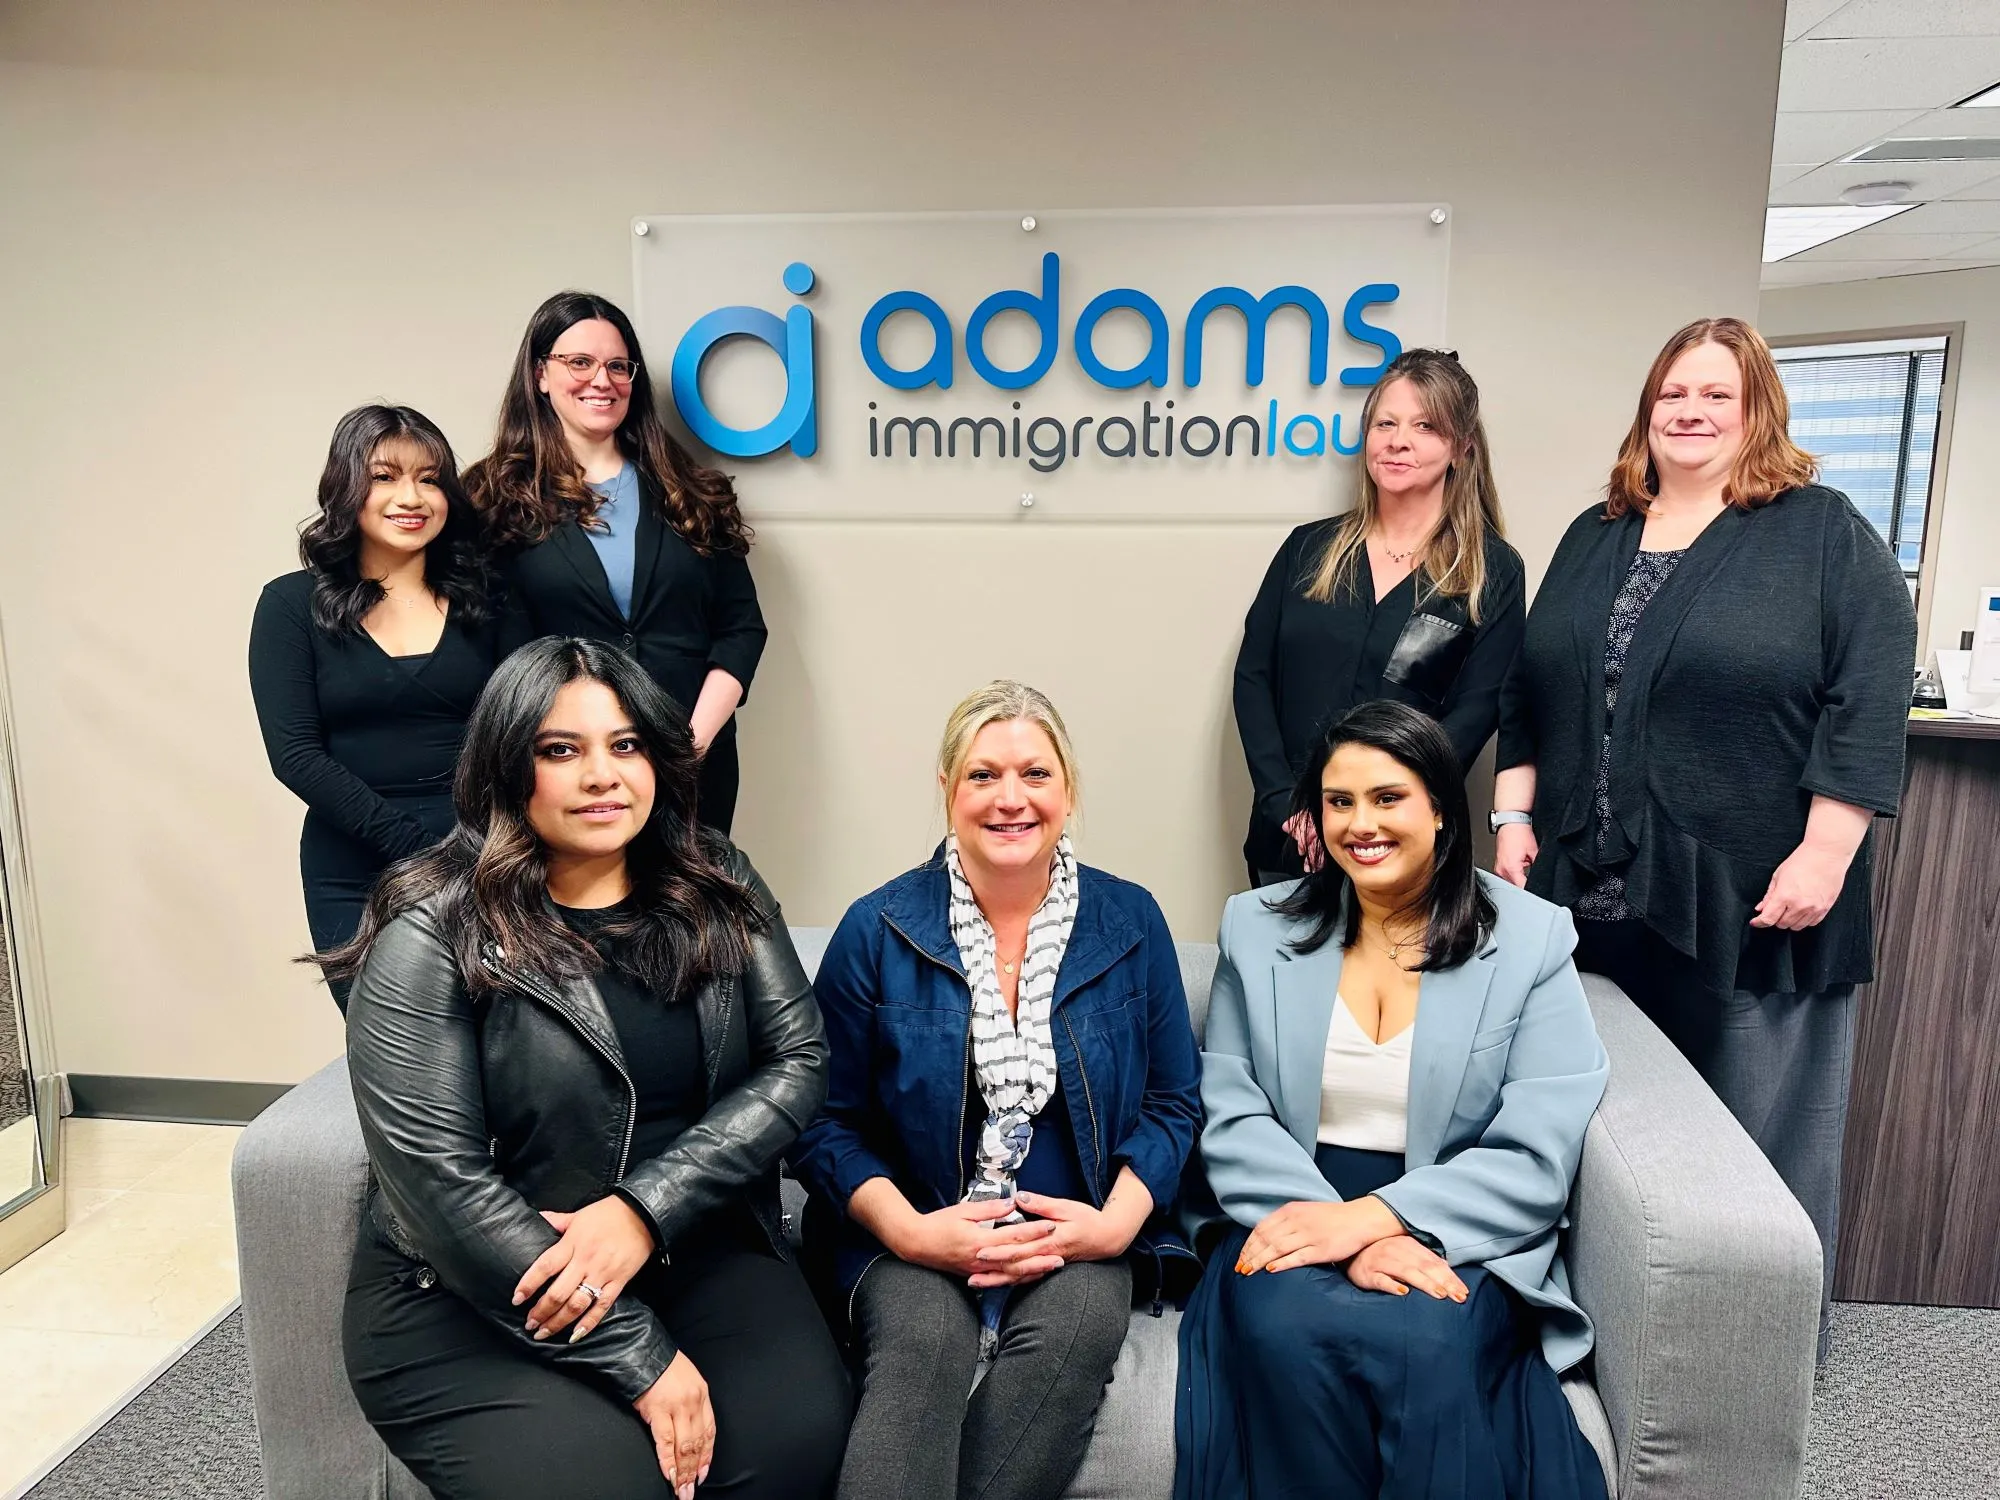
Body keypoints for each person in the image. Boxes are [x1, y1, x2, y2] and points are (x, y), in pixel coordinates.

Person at [328, 637, 848, 1500]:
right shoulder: (431, 930)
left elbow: (798, 1062)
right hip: (480, 1288)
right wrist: (643, 1358)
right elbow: (443, 1189)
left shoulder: (718, 878)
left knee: (790, 1453)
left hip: (693, 1244)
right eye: (561, 749)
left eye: (626, 744)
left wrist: (644, 1212)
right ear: (507, 766)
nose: (603, 775)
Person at [1492, 317, 1917, 1355]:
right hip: (1590, 891)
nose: (1689, 412)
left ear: (1757, 409)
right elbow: (1528, 688)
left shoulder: (1819, 531)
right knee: (1611, 1139)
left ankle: (1751, 1359)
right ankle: (1615, 1341)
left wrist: (1827, 852)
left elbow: (1867, 695)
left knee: (1749, 1140)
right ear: (1647, 410)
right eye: (1672, 393)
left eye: (1716, 394)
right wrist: (1511, 815)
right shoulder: (1596, 531)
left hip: (1752, 894)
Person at [1176, 700, 1609, 1500]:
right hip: (1289, 1199)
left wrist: (1379, 1219)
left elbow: (1537, 1148)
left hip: (1453, 1217)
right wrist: (1339, 1230)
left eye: (1387, 798)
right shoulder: (1254, 928)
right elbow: (1231, 1111)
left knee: (1424, 1338)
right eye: (1339, 801)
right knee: (1282, 1330)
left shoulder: (1532, 938)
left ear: (1439, 808)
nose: (1361, 824)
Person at [790, 680, 1203, 1500]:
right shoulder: (878, 928)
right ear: (948, 789)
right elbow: (819, 1121)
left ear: (1068, 790)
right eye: (983, 775)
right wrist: (911, 1233)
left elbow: (1172, 1103)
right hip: (913, 1223)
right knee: (924, 1342)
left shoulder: (1131, 922)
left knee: (1078, 1330)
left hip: (1077, 1227)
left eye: (1035, 774)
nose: (1010, 798)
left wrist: (1112, 1227)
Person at [250, 404, 519, 1010]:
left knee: (505, 1040)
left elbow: (526, 729)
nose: (411, 497)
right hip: (354, 862)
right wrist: (422, 850)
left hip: (487, 854)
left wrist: (480, 850)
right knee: (389, 1044)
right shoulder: (290, 605)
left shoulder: (492, 598)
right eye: (385, 476)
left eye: (429, 479)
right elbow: (294, 756)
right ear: (346, 487)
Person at [466, 291, 766, 834]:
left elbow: (741, 629)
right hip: (564, 775)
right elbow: (491, 649)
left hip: (694, 765)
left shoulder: (692, 491)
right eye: (580, 362)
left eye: (618, 366)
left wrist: (686, 750)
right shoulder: (493, 498)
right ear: (540, 374)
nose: (601, 380)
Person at [1233, 349, 1525, 888]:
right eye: (1384, 424)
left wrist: (1380, 811)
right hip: (1291, 840)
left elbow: (1477, 711)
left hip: (1402, 848)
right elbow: (1253, 679)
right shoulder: (1307, 549)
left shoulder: (1491, 571)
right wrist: (1286, 803)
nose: (1398, 441)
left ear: (1461, 447)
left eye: (1425, 426)